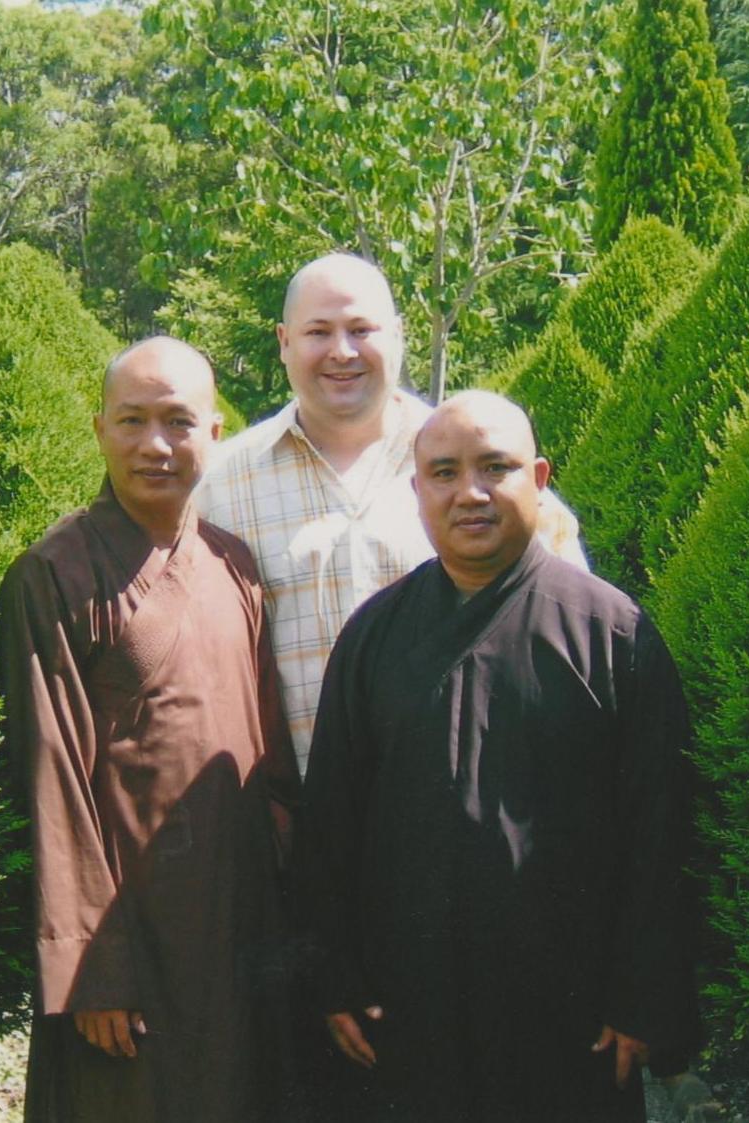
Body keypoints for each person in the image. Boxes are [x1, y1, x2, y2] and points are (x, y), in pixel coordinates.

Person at [300, 390, 702, 1123]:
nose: (470, 493)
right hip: (407, 1005)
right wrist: (336, 979)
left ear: (540, 479)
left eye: (496, 467)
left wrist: (643, 995)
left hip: (571, 1016)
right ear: (416, 489)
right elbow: (330, 822)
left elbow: (659, 829)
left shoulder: (610, 635)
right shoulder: (373, 638)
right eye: (444, 472)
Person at [0, 336, 297, 1123]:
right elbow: (52, 777)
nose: (155, 444)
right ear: (98, 427)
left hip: (235, 920)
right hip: (128, 932)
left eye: (177, 421)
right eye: (132, 420)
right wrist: (91, 966)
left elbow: (269, 757)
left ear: (214, 435)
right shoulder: (55, 573)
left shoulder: (235, 565)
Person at [196, 252, 586, 781]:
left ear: (399, 335)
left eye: (362, 329)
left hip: (463, 814)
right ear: (284, 341)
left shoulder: (481, 470)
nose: (342, 352)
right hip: (301, 824)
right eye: (318, 332)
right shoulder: (219, 489)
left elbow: (572, 629)